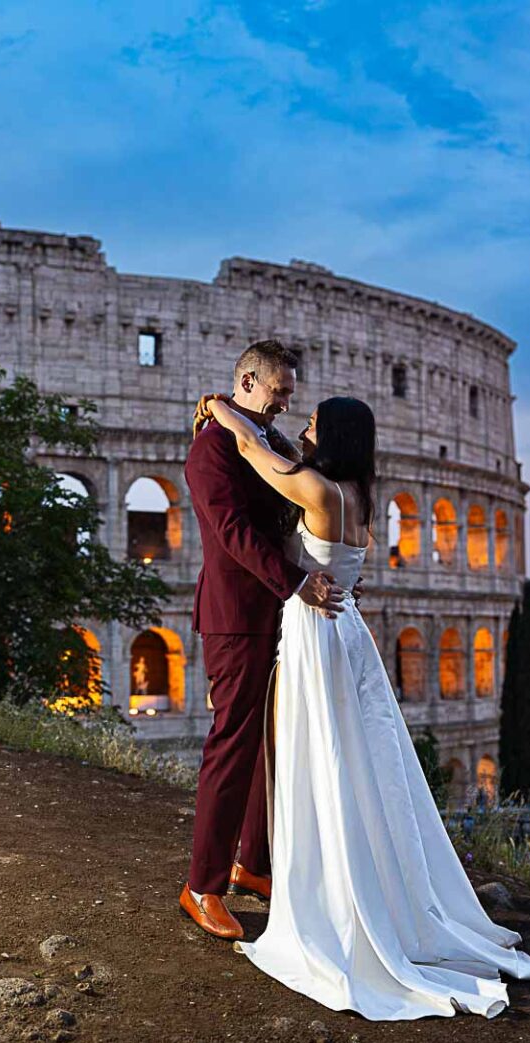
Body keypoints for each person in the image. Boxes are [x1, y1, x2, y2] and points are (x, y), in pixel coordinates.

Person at [199, 392, 530, 1021]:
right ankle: (280, 865)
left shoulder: (322, 493)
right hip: (346, 631)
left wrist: (221, 408)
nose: (300, 427)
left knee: (318, 753)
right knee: (351, 753)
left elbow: (253, 449)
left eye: (310, 424)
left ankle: (327, 887)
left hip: (315, 632)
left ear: (331, 436)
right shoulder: (355, 494)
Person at [179, 341, 346, 941]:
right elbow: (230, 533)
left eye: (289, 396)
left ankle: (254, 864)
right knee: (231, 744)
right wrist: (296, 582)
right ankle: (202, 886)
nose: (283, 405)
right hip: (236, 616)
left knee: (265, 742)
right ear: (248, 380)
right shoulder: (210, 450)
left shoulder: (260, 437)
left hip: (273, 611)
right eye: (278, 392)